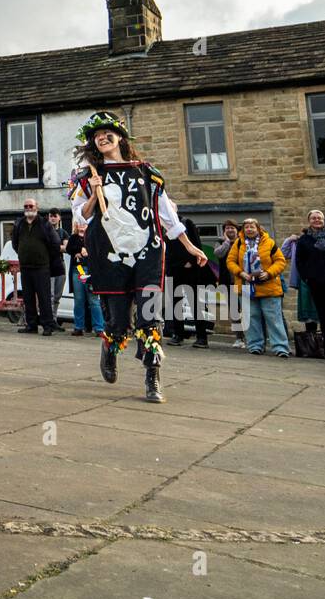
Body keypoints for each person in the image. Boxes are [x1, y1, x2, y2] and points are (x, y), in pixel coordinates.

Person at [71, 110, 208, 403]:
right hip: (109, 253)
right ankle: (110, 346)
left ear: (120, 136)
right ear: (94, 144)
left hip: (148, 250)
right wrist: (95, 194)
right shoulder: (88, 177)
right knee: (119, 322)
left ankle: (153, 376)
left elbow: (167, 215)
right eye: (97, 136)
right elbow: (81, 217)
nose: (103, 137)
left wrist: (189, 245)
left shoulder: (147, 172)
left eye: (108, 132)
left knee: (150, 317)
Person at [226, 219, 290, 357]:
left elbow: (280, 261)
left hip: (269, 287)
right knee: (251, 317)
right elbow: (230, 261)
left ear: (258, 228)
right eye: (247, 227)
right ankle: (255, 345)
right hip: (246, 286)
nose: (249, 229)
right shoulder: (238, 243)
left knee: (274, 318)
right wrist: (241, 272)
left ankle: (281, 347)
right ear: (243, 229)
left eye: (252, 227)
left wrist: (268, 273)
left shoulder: (269, 242)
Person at [10, 197, 62, 335]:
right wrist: (22, 253)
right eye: (26, 206)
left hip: (41, 267)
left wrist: (45, 258)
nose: (28, 208)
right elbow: (15, 243)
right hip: (26, 267)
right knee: (28, 297)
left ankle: (47, 326)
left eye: (31, 206)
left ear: (36, 207)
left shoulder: (45, 224)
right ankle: (31, 325)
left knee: (44, 297)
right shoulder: (19, 224)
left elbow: (55, 243)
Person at [165, 217, 216, 348]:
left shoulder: (186, 222)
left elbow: (196, 244)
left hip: (190, 269)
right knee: (176, 303)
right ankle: (178, 335)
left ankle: (201, 337)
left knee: (194, 303)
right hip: (173, 268)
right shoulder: (164, 224)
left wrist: (191, 261)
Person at [295, 210, 325, 358]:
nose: (317, 220)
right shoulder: (304, 240)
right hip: (318, 284)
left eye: (319, 218)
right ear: (309, 221)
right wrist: (308, 279)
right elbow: (300, 262)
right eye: (313, 218)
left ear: (324, 220)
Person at [66, 220, 105, 336]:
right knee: (79, 300)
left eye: (84, 224)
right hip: (78, 270)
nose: (82, 226)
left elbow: (99, 251)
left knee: (94, 300)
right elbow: (69, 249)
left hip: (91, 270)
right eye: (80, 224)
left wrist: (88, 251)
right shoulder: (73, 237)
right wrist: (79, 250)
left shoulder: (93, 236)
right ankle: (79, 327)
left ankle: (99, 328)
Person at [213, 221, 243, 347]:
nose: (230, 230)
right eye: (227, 228)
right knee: (234, 311)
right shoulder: (220, 242)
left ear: (237, 230)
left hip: (242, 280)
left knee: (248, 310)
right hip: (227, 281)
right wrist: (226, 242)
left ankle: (253, 337)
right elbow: (218, 253)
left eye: (232, 228)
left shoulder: (243, 242)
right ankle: (239, 338)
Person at [47, 208, 69, 325]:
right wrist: (58, 246)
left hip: (60, 265)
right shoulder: (44, 231)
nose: (53, 218)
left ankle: (54, 320)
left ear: (59, 218)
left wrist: (53, 246)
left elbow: (66, 248)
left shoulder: (63, 233)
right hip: (47, 266)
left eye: (55, 216)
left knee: (57, 296)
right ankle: (50, 321)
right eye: (51, 216)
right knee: (49, 296)